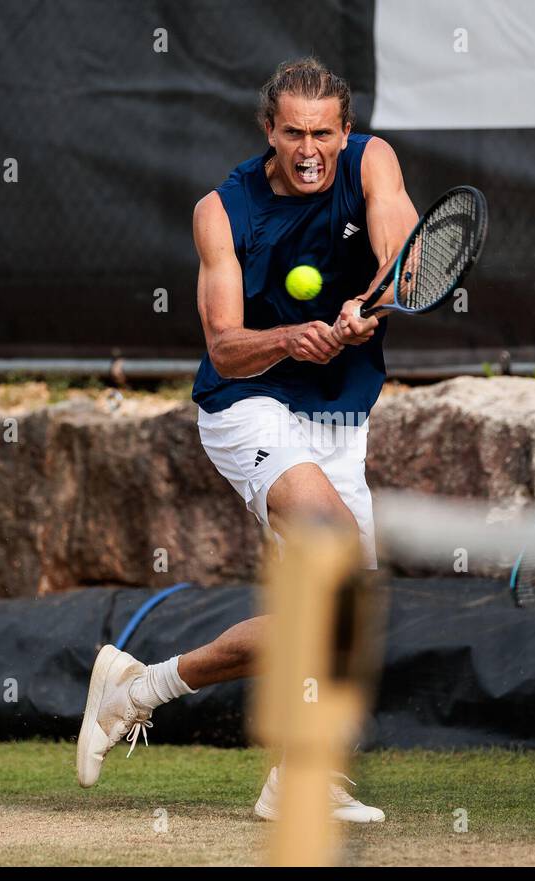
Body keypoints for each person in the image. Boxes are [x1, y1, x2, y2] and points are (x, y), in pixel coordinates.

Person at [76, 56, 417, 822]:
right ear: (269, 129)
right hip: (248, 407)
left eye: (323, 134)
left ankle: (140, 691)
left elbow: (406, 261)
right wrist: (294, 338)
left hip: (337, 418)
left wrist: (372, 301)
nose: (308, 150)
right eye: (292, 132)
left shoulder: (375, 165)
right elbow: (225, 344)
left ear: (346, 131)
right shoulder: (220, 211)